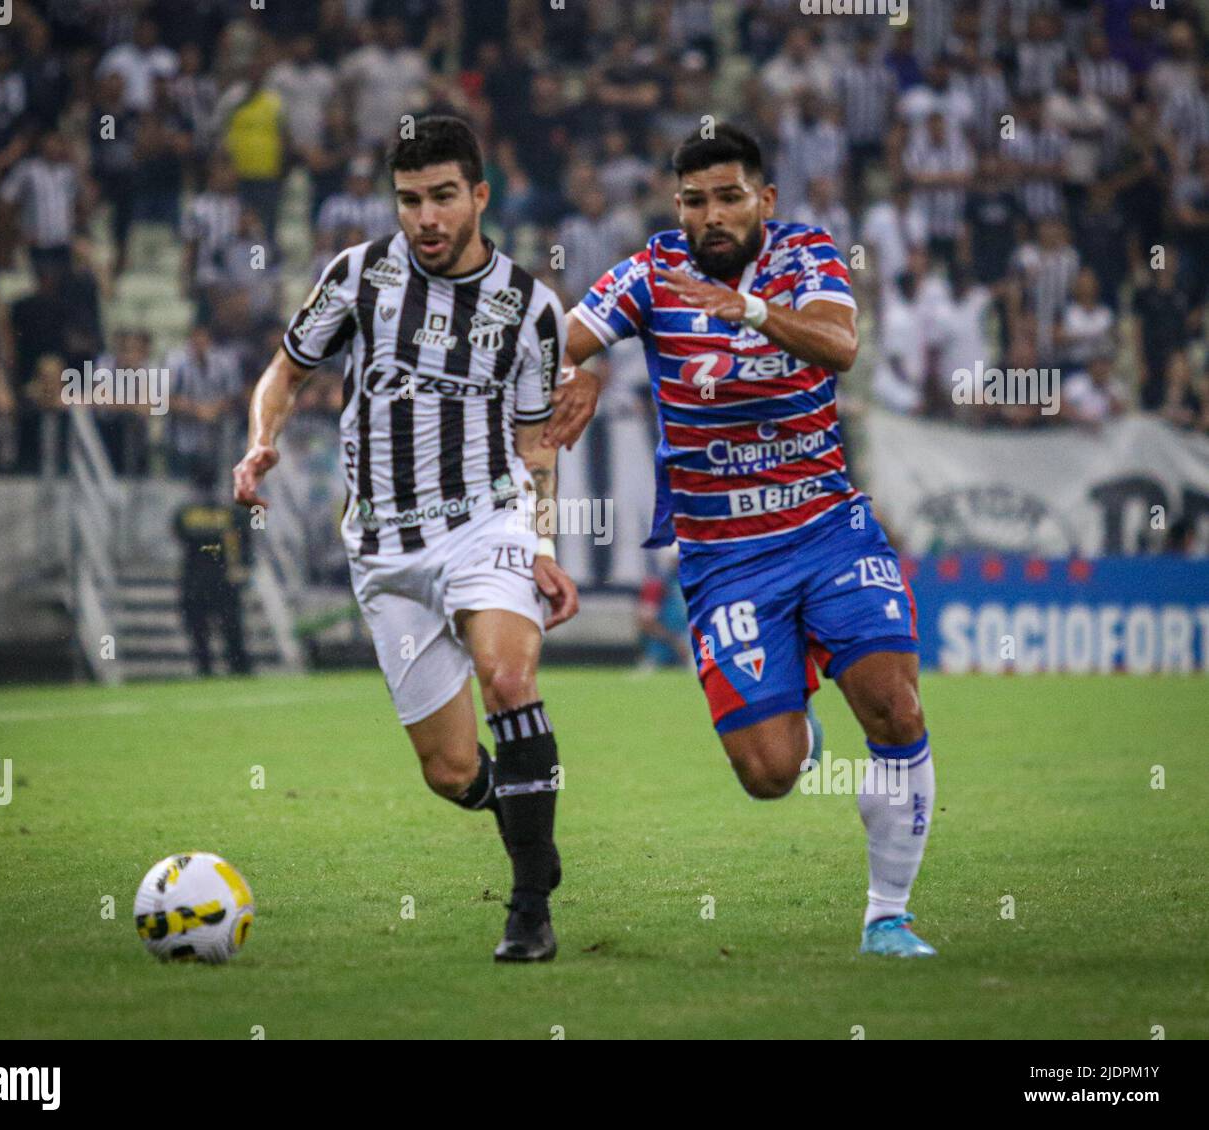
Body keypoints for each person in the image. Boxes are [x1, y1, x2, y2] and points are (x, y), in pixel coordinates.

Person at [546, 124, 938, 958]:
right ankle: (796, 716)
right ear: (676, 206)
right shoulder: (651, 271)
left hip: (828, 526)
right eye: (694, 201)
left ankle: (888, 917)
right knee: (769, 774)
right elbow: (560, 340)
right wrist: (588, 366)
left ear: (764, 200)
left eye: (729, 197)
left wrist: (755, 310)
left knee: (896, 708)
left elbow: (840, 347)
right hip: (726, 556)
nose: (711, 215)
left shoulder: (807, 257)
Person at [233, 117, 577, 962]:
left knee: (507, 675)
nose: (424, 217)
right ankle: (524, 821)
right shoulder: (358, 274)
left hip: (483, 524)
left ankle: (528, 903)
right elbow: (284, 372)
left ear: (480, 196)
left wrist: (543, 544)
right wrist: (259, 438)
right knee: (452, 772)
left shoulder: (530, 306)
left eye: (443, 197)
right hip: (383, 551)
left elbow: (536, 445)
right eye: (409, 200)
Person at [174, 460, 254, 677]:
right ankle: (239, 670)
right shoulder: (230, 512)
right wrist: (244, 567)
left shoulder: (185, 513)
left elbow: (181, 536)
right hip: (224, 577)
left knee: (199, 631)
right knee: (232, 629)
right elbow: (246, 540)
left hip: (194, 578)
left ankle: (205, 670)